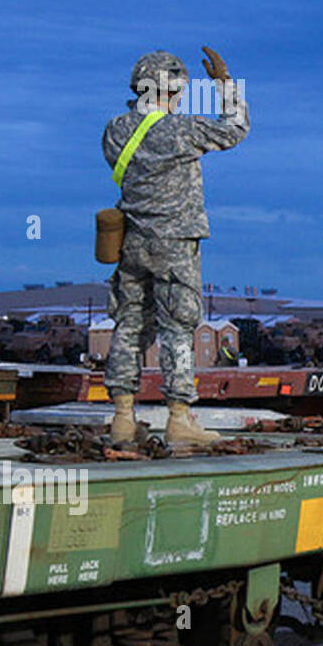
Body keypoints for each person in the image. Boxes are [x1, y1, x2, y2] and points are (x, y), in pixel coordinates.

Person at [102, 48, 249, 446]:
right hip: (175, 244)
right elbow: (234, 130)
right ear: (173, 90)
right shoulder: (180, 130)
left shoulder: (116, 128)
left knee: (129, 323)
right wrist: (225, 84)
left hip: (131, 242)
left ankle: (122, 418)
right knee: (178, 328)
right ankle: (180, 418)